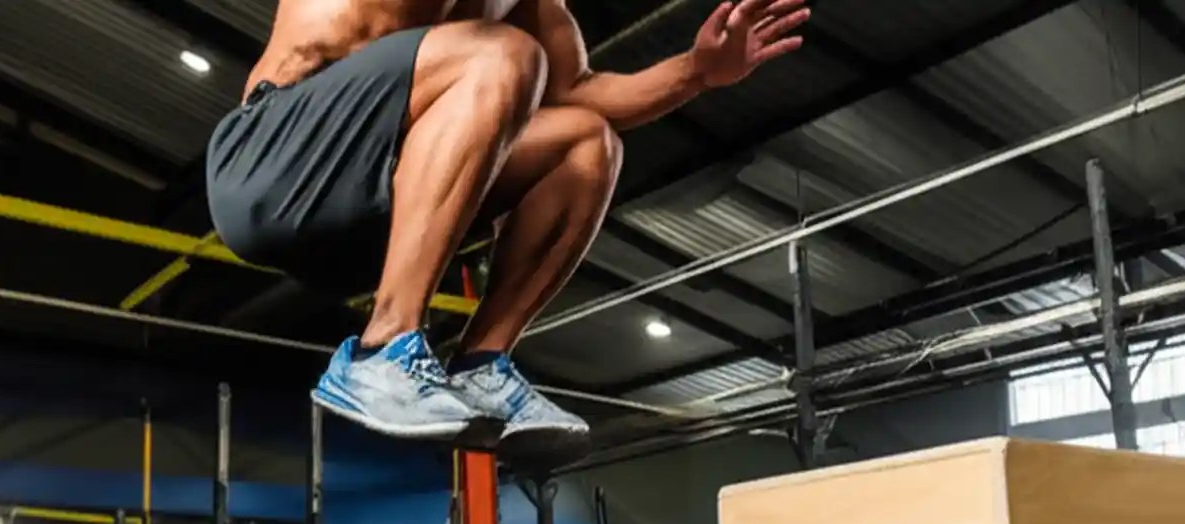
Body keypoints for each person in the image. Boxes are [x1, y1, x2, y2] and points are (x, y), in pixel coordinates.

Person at [205, 0, 810, 462]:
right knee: (506, 53)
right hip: (275, 165)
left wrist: (698, 71)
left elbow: (582, 92)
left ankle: (483, 365)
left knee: (585, 142)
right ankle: (379, 350)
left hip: (376, 219)